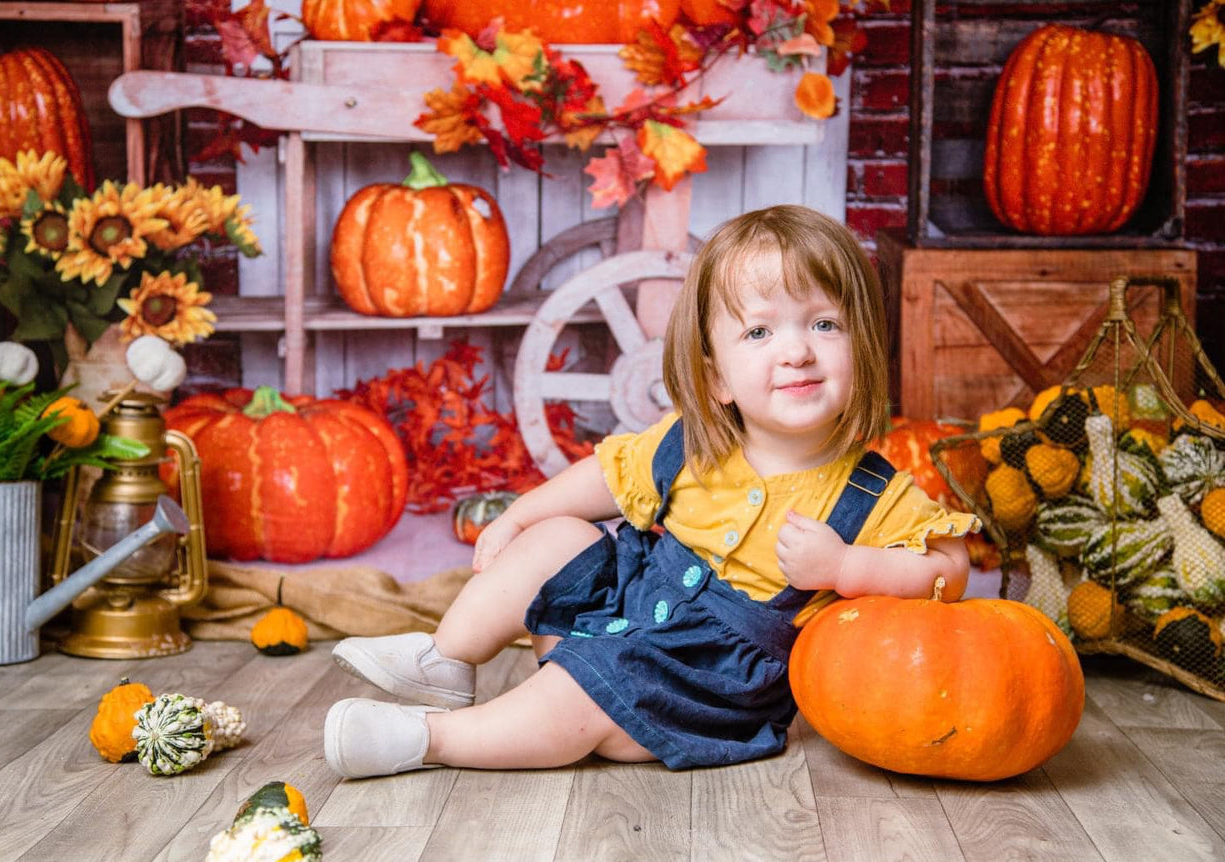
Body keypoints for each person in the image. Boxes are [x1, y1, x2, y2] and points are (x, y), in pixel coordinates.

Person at [323, 204, 981, 778]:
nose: (797, 352)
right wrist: (517, 517)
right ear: (717, 378)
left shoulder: (875, 492)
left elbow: (949, 569)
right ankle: (445, 658)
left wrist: (845, 567)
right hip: (621, 612)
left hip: (695, 684)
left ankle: (431, 739)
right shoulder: (692, 441)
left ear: (864, 347)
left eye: (824, 324)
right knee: (560, 535)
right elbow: (604, 478)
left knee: (582, 695)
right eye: (759, 332)